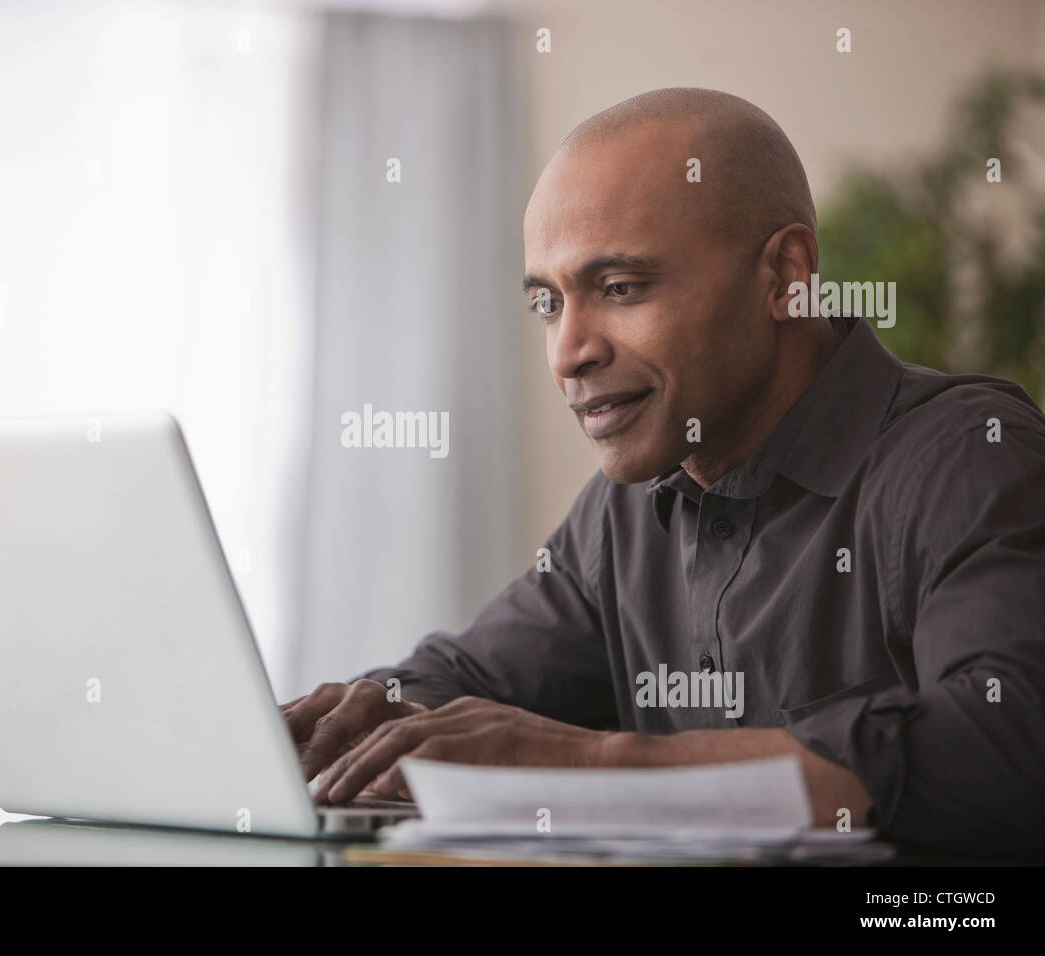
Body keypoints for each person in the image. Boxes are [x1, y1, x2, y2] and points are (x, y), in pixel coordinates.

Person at [281, 88, 1045, 856]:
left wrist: (592, 761)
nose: (568, 351)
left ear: (786, 275)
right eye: (548, 303)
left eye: (619, 289)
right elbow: (465, 683)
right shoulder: (625, 511)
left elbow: (1006, 745)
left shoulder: (969, 456)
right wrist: (344, 725)